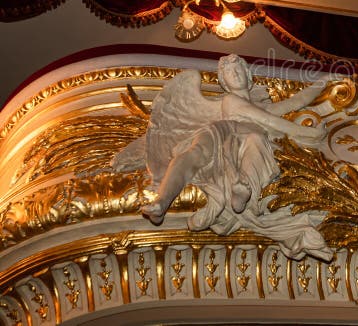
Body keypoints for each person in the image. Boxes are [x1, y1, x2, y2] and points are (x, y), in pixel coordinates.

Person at [139, 54, 333, 260]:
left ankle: (242, 193)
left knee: (256, 140)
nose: (235, 74)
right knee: (194, 152)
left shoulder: (264, 106)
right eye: (229, 73)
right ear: (224, 82)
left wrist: (323, 81)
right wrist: (310, 134)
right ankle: (162, 201)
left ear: (248, 75)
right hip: (223, 133)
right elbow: (270, 121)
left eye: (238, 69)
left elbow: (296, 101)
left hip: (249, 139)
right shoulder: (231, 101)